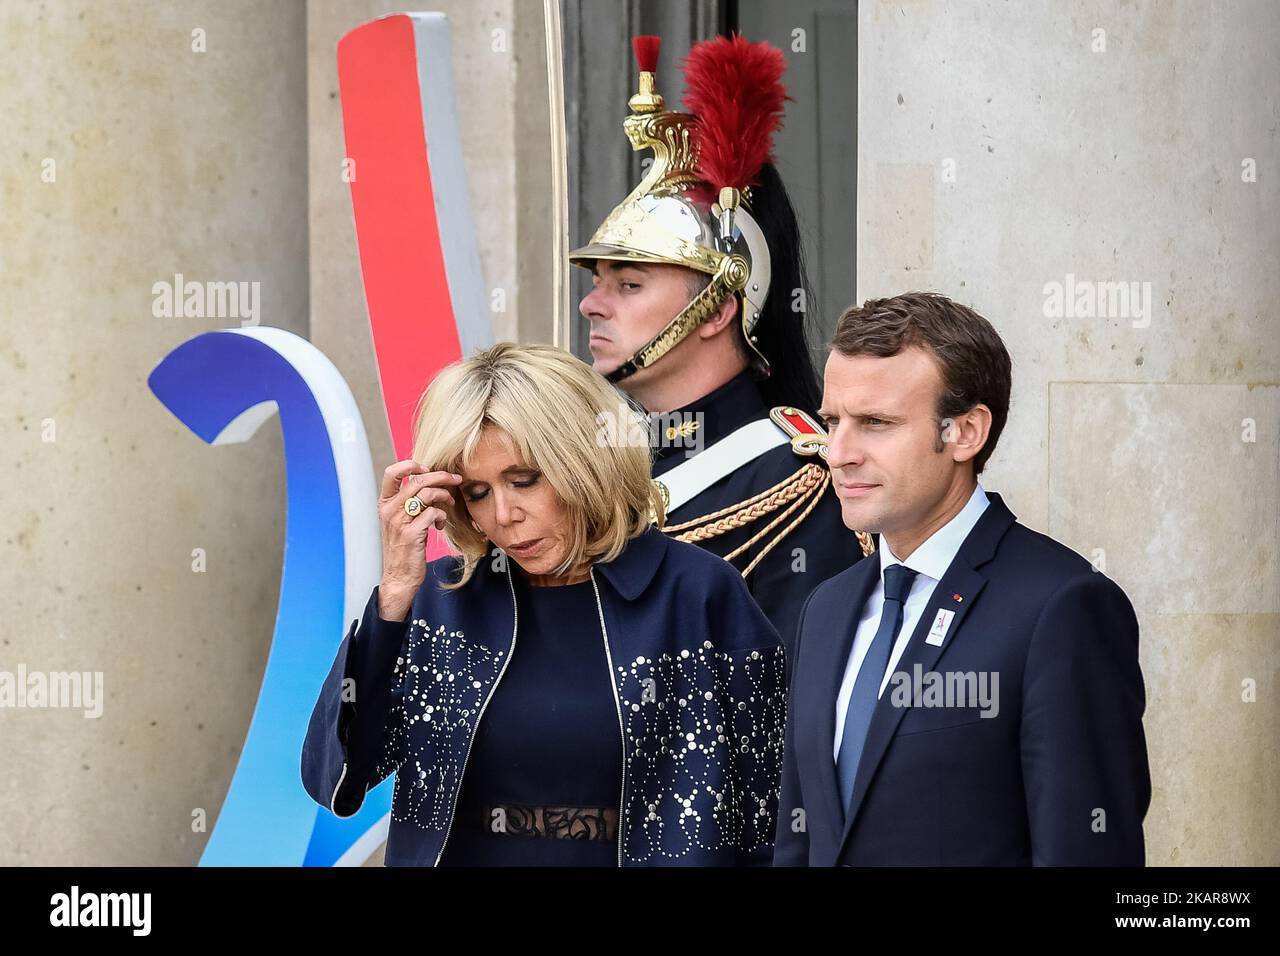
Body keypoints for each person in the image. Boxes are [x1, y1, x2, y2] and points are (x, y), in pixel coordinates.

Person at [300, 342, 786, 866]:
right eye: (478, 493)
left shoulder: (695, 594)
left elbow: (771, 812)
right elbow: (338, 777)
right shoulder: (443, 600)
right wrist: (393, 595)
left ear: (585, 462)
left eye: (524, 480)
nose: (504, 515)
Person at [774, 293, 1151, 866]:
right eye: (832, 422)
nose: (839, 452)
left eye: (876, 423)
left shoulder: (1061, 608)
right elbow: (800, 843)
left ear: (966, 432)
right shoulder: (826, 608)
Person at [569, 33, 866, 650]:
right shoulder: (590, 464)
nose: (590, 304)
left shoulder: (799, 487)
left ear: (717, 309)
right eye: (598, 282)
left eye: (628, 283)